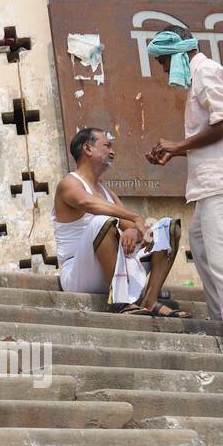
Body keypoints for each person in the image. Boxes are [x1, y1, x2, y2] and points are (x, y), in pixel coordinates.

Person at [145, 26, 223, 355]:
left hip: (219, 181)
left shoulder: (206, 71)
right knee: (201, 245)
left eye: (162, 62)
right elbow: (215, 137)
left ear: (177, 54)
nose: (162, 70)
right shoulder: (201, 75)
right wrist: (175, 151)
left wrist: (177, 143)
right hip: (210, 182)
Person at [53, 127, 187, 317]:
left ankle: (150, 300)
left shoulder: (108, 192)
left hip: (114, 271)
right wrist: (133, 218)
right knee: (102, 221)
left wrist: (132, 230)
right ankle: (121, 301)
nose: (112, 152)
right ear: (88, 149)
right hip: (78, 275)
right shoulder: (69, 183)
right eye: (107, 146)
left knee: (167, 228)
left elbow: (132, 225)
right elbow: (87, 203)